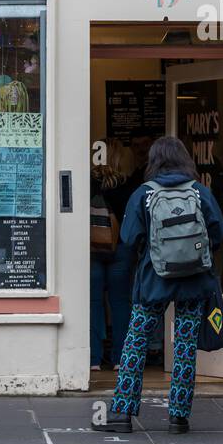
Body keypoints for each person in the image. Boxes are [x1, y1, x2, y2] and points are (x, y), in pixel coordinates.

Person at [92, 137, 223, 435]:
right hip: (193, 281)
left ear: (154, 161)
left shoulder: (144, 194)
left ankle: (122, 414)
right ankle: (179, 417)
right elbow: (218, 232)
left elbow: (129, 238)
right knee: (184, 346)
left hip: (154, 279)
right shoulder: (200, 192)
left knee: (136, 342)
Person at [89, 144, 135, 371]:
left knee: (93, 303)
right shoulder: (127, 186)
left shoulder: (88, 182)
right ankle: (120, 358)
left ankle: (93, 359)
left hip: (92, 248)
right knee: (119, 303)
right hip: (122, 248)